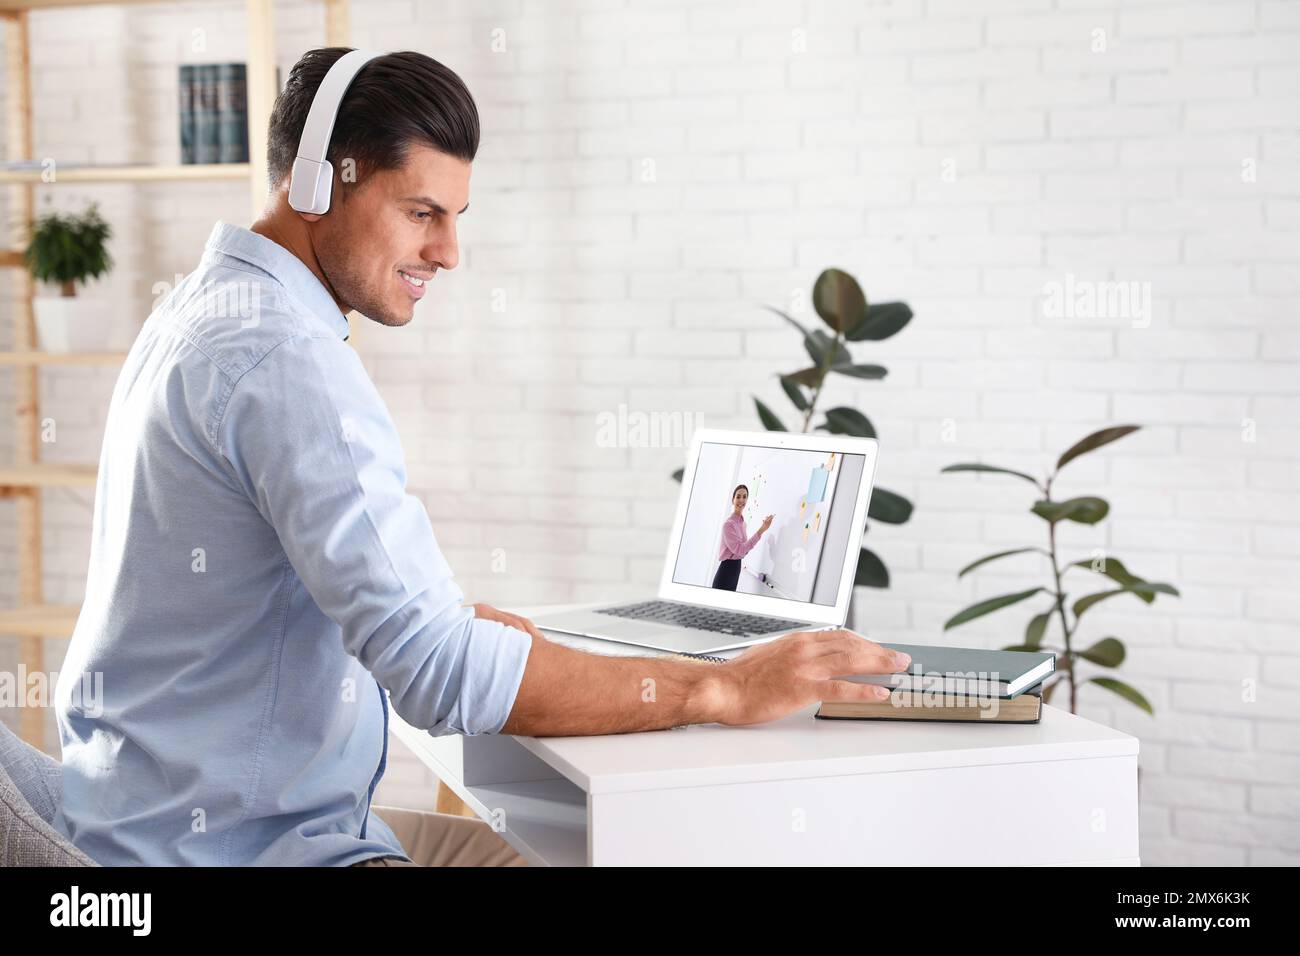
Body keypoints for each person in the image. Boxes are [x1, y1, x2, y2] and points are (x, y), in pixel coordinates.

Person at [52, 47, 911, 869]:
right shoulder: (287, 360)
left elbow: (332, 605)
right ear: (319, 183)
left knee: (559, 836)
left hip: (153, 820)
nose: (448, 253)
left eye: (456, 217)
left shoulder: (207, 305)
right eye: (421, 212)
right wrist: (717, 688)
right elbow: (435, 672)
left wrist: (464, 634)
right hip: (241, 849)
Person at [711, 484, 773, 590]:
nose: (741, 500)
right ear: (733, 500)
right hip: (726, 571)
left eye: (744, 497)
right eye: (738, 496)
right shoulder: (728, 525)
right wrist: (762, 529)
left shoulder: (742, 523)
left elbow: (744, 551)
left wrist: (744, 548)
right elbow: (740, 550)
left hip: (736, 570)